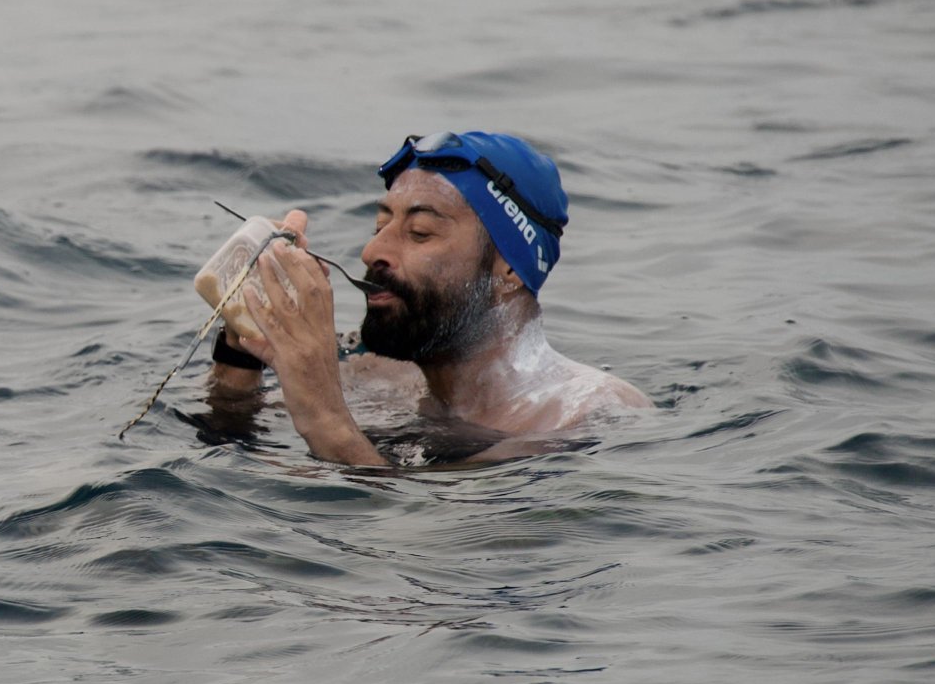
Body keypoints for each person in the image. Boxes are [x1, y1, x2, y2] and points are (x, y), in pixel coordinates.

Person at [209, 130, 648, 467]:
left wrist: (326, 419)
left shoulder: (584, 417)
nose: (372, 251)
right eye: (380, 225)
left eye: (419, 233)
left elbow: (426, 545)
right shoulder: (369, 371)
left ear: (510, 268)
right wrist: (243, 340)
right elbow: (225, 437)